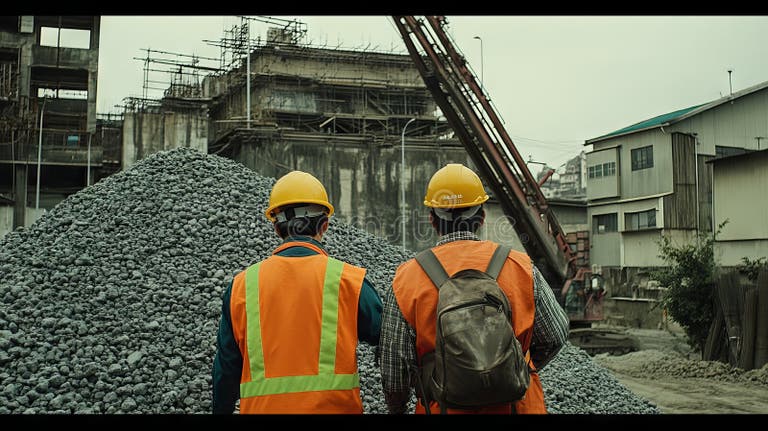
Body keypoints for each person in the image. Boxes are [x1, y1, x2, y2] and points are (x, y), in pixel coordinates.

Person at [378, 163, 569, 414]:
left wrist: (397, 407)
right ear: (481, 217)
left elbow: (395, 370)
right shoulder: (521, 267)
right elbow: (555, 336)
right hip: (518, 407)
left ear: (432, 219)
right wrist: (507, 367)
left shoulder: (407, 278)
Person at [212, 170, 383, 414]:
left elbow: (226, 370)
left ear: (276, 229)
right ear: (324, 225)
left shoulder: (242, 286)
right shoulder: (349, 281)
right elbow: (388, 339)